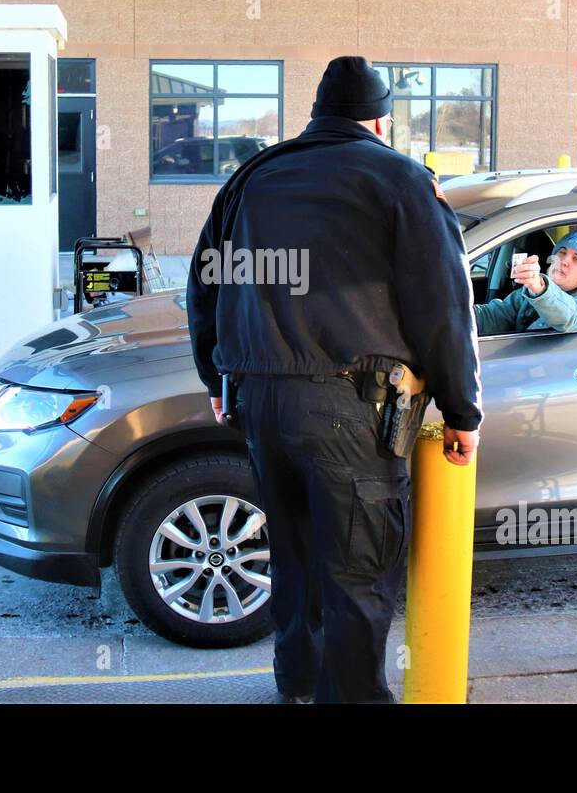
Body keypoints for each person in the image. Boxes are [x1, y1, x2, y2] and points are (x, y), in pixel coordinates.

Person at [186, 56, 483, 704]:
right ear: (379, 120)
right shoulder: (402, 180)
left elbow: (205, 286)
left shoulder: (252, 178)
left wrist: (216, 377)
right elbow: (442, 308)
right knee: (356, 574)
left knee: (293, 558)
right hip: (355, 410)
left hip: (259, 399)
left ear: (317, 116)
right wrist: (462, 411)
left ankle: (296, 685)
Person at [473, 226, 577, 335]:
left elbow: (572, 317)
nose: (564, 261)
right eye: (562, 252)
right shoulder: (529, 292)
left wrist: (539, 286)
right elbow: (495, 316)